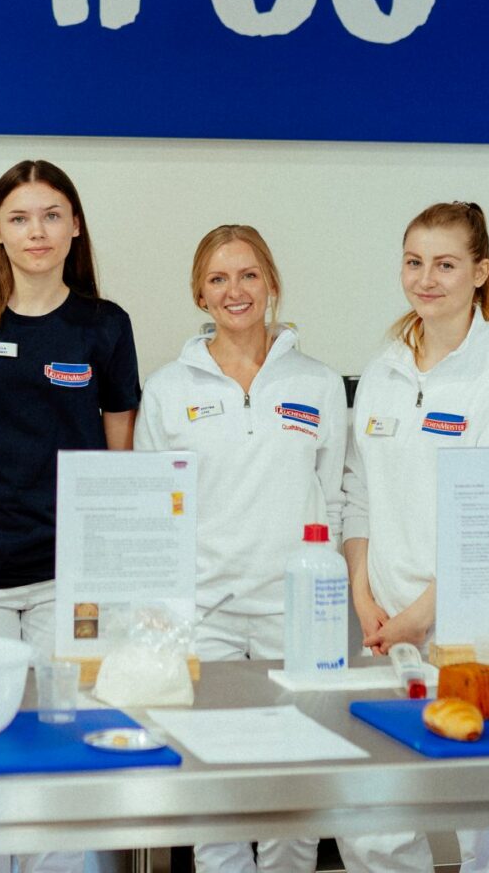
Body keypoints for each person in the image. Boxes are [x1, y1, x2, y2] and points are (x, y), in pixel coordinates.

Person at [342, 201, 489, 873]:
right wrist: (364, 595)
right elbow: (360, 492)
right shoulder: (383, 371)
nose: (425, 279)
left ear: (480, 272)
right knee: (373, 810)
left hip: (476, 623)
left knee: (485, 809)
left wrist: (420, 618)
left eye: (445, 264)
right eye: (414, 261)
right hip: (385, 619)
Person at [135, 224, 346, 873]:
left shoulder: (318, 383)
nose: (235, 290)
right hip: (207, 616)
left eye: (249, 275)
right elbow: (151, 506)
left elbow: (335, 499)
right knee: (215, 790)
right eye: (219, 278)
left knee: (298, 783)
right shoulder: (170, 389)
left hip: (298, 614)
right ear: (200, 294)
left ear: (272, 285)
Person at [0, 159, 141, 650]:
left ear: (75, 225)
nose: (37, 232)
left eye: (52, 216)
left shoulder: (106, 326)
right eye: (19, 219)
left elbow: (119, 464)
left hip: (70, 578)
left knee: (66, 719)